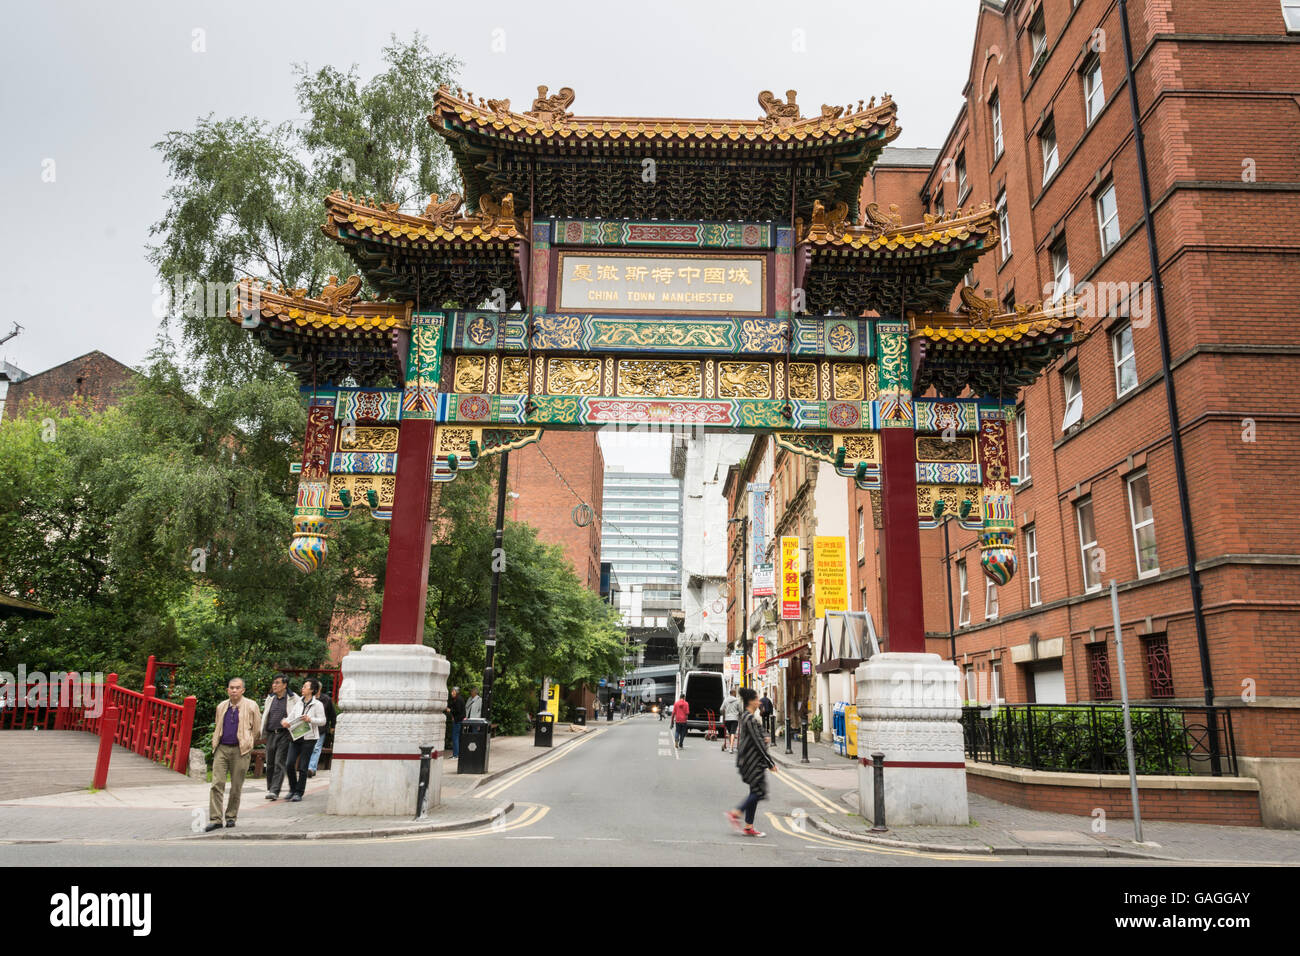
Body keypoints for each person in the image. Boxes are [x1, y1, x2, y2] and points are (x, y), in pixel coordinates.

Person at [207, 677, 261, 831]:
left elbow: (257, 729)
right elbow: (218, 725)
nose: (234, 690)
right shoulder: (221, 706)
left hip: (241, 749)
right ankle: (216, 818)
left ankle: (231, 817)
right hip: (222, 748)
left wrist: (248, 741)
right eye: (231, 688)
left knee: (236, 786)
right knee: (217, 784)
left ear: (243, 690)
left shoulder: (251, 706)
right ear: (227, 690)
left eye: (237, 688)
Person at [726, 687, 777, 838]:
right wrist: (770, 762)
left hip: (751, 761)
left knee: (755, 791)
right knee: (758, 792)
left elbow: (760, 734)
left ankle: (748, 827)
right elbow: (757, 742)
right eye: (757, 699)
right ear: (751, 702)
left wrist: (765, 737)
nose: (759, 701)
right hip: (751, 762)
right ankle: (735, 813)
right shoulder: (748, 718)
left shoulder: (750, 718)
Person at [283, 678, 327, 803]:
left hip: (309, 738)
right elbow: (291, 716)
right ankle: (292, 789)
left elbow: (323, 721)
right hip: (296, 736)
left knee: (303, 766)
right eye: (303, 686)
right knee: (289, 763)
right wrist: (286, 722)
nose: (302, 688)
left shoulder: (318, 704)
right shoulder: (299, 703)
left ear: (312, 690)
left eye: (305, 687)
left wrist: (310, 719)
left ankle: (299, 792)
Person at [260, 675, 299, 801]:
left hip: (285, 734)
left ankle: (274, 790)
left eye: (277, 683)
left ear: (284, 685)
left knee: (279, 762)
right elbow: (266, 715)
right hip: (271, 733)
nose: (274, 685)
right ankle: (271, 788)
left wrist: (290, 723)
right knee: (270, 763)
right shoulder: (270, 698)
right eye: (273, 683)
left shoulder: (293, 698)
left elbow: (299, 715)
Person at [306, 687, 336, 777]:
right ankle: (308, 767)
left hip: (321, 728)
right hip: (309, 728)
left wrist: (332, 726)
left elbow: (332, 714)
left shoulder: (327, 699)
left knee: (316, 748)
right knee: (308, 748)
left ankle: (311, 768)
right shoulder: (308, 699)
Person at [720, 687, 743, 754]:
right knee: (733, 733)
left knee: (730, 733)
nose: (736, 694)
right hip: (734, 719)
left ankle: (731, 746)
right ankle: (731, 748)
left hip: (727, 719)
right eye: (735, 693)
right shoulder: (737, 701)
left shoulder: (725, 700)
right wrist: (740, 714)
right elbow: (740, 710)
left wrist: (724, 714)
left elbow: (721, 709)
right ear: (733, 693)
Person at [447, 686, 466, 757]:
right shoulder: (455, 699)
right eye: (451, 691)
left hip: (458, 721)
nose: (451, 693)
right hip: (458, 720)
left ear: (456, 692)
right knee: (456, 737)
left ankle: (456, 754)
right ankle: (457, 753)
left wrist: (450, 710)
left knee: (455, 737)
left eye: (453, 691)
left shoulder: (458, 699)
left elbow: (458, 711)